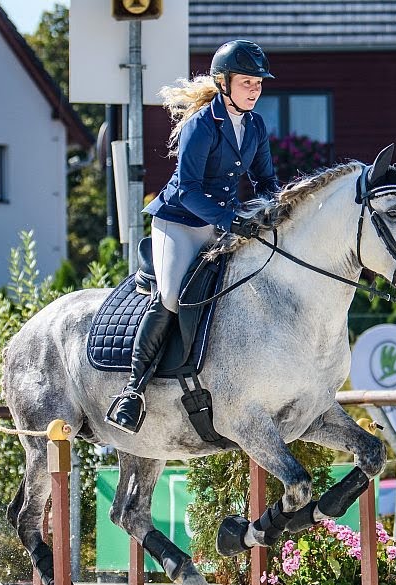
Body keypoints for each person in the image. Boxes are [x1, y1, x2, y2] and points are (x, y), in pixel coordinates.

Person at [105, 39, 281, 434]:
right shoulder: (202, 124)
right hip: (179, 222)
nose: (254, 89)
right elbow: (188, 189)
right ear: (224, 83)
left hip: (220, 221)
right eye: (247, 82)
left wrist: (277, 206)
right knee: (170, 295)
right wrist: (231, 219)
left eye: (258, 83)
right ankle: (133, 392)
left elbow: (265, 178)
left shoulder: (255, 125)